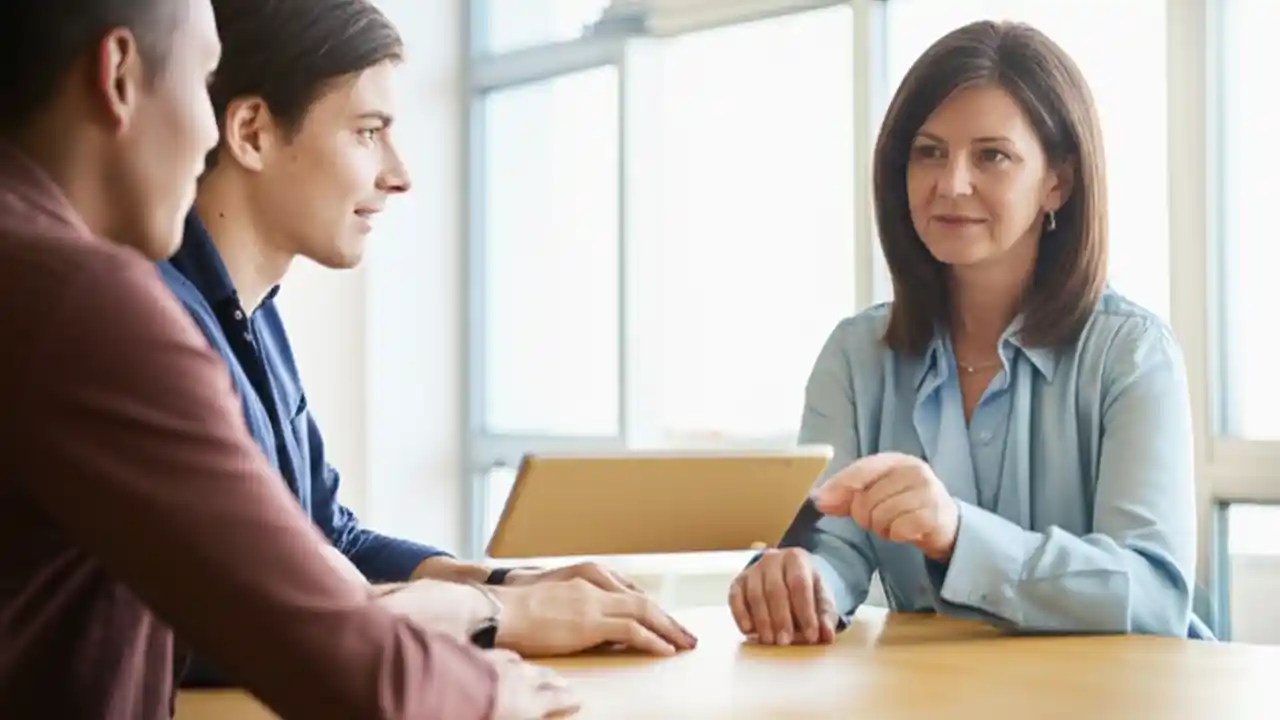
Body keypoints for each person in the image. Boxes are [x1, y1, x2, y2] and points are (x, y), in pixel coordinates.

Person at [0, 1, 578, 718]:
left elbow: (316, 543)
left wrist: (498, 584)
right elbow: (323, 651)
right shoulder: (80, 304)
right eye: (203, 81)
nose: (207, 132)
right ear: (119, 76)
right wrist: (497, 675)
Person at [159, 0, 694, 681]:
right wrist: (493, 612)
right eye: (367, 132)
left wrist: (507, 582)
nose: (399, 173)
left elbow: (327, 534)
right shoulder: (160, 326)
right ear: (253, 132)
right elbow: (239, 615)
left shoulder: (253, 314)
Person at [729, 20, 1210, 644]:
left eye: (993, 155)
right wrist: (795, 578)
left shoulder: (1132, 355)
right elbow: (833, 549)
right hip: (940, 696)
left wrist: (957, 534)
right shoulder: (856, 355)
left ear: (1057, 181)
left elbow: (1152, 595)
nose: (951, 183)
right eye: (929, 151)